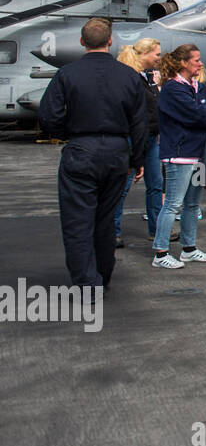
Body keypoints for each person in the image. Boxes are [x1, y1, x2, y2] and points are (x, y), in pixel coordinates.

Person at [37, 17, 147, 291]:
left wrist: (69, 134)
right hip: (116, 151)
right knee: (105, 219)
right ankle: (103, 273)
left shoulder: (67, 74)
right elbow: (141, 123)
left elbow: (48, 116)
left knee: (77, 220)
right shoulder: (130, 76)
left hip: (81, 149)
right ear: (110, 41)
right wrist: (138, 159)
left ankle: (87, 282)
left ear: (81, 41)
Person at [151, 43, 206, 269]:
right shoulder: (173, 89)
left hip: (198, 156)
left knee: (192, 204)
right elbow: (196, 114)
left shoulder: (198, 88)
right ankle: (160, 253)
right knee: (172, 204)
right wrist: (203, 111)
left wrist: (204, 111)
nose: (200, 64)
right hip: (179, 156)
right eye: (196, 60)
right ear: (183, 62)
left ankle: (189, 249)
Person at [113, 38, 166, 249]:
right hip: (135, 137)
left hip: (151, 137)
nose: (159, 59)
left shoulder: (148, 78)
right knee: (123, 186)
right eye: (157, 54)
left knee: (155, 185)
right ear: (145, 54)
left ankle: (157, 229)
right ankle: (113, 231)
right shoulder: (131, 77)